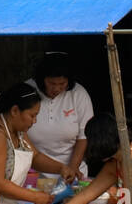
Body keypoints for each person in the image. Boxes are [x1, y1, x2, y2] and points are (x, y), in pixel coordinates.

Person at [24, 51, 94, 183]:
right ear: (41, 79)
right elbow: (19, 133)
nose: (56, 89)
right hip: (32, 173)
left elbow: (83, 137)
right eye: (51, 83)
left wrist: (72, 169)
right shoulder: (27, 91)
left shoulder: (79, 94)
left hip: (72, 172)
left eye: (62, 84)